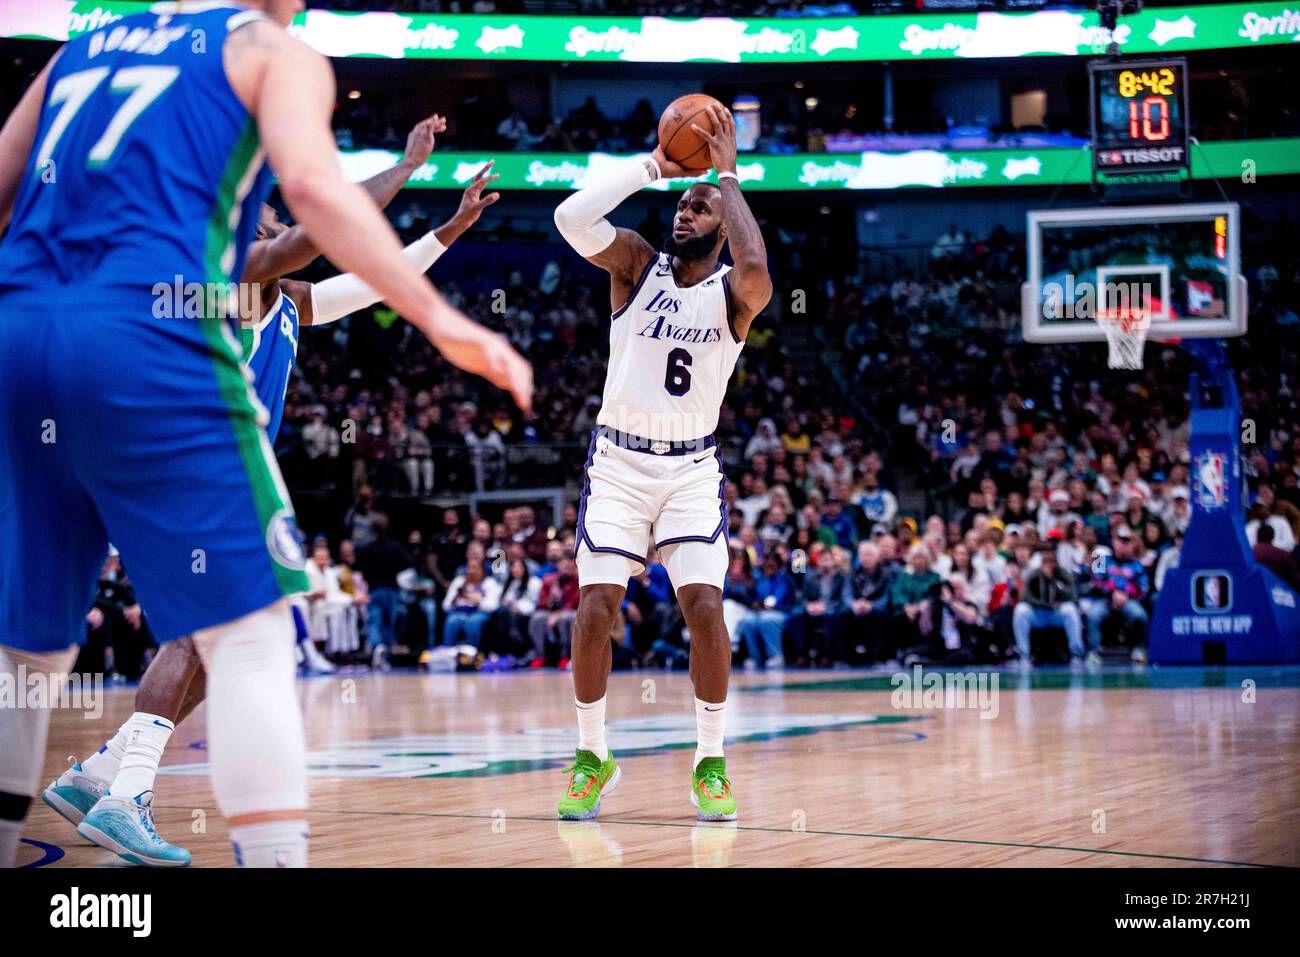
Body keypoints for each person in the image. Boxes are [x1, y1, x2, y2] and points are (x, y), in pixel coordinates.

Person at [0, 0, 530, 870]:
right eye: (273, 219)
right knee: (222, 632)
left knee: (115, 640)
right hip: (166, 437)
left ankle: (101, 773)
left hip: (76, 377)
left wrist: (450, 229)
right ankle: (134, 793)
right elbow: (317, 223)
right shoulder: (240, 273)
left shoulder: (291, 305)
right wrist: (398, 171)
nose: (281, 228)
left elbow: (352, 283)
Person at [552, 104, 771, 822]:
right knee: (593, 612)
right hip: (618, 463)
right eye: (681, 203)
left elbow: (759, 267)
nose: (684, 211)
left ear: (721, 222)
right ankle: (592, 753)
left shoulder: (735, 293)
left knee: (704, 607)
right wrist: (653, 166)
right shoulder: (637, 265)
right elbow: (570, 221)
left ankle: (709, 758)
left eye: (698, 206)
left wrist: (726, 179)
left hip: (689, 472)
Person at [1079, 527, 1151, 665]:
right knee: (1093, 615)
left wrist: (1126, 594)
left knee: (1140, 615)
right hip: (1104, 600)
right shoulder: (1101, 559)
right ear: (1114, 542)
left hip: (1128, 601)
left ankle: (1138, 649)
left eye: (1127, 541)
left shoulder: (1137, 565)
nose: (1123, 545)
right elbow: (1096, 581)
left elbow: (1143, 588)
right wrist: (1112, 593)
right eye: (1120, 541)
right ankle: (1093, 652)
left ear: (1132, 544)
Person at [1012, 547, 1083, 665]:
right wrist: (1045, 605)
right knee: (1020, 610)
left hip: (1056, 614)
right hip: (1038, 613)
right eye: (1045, 561)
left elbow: (1072, 595)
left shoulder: (1062, 574)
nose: (1048, 565)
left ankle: (1076, 654)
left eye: (1050, 561)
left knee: (1070, 610)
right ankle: (1023, 655)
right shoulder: (1034, 575)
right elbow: (1025, 597)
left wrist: (1052, 581)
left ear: (1055, 562)